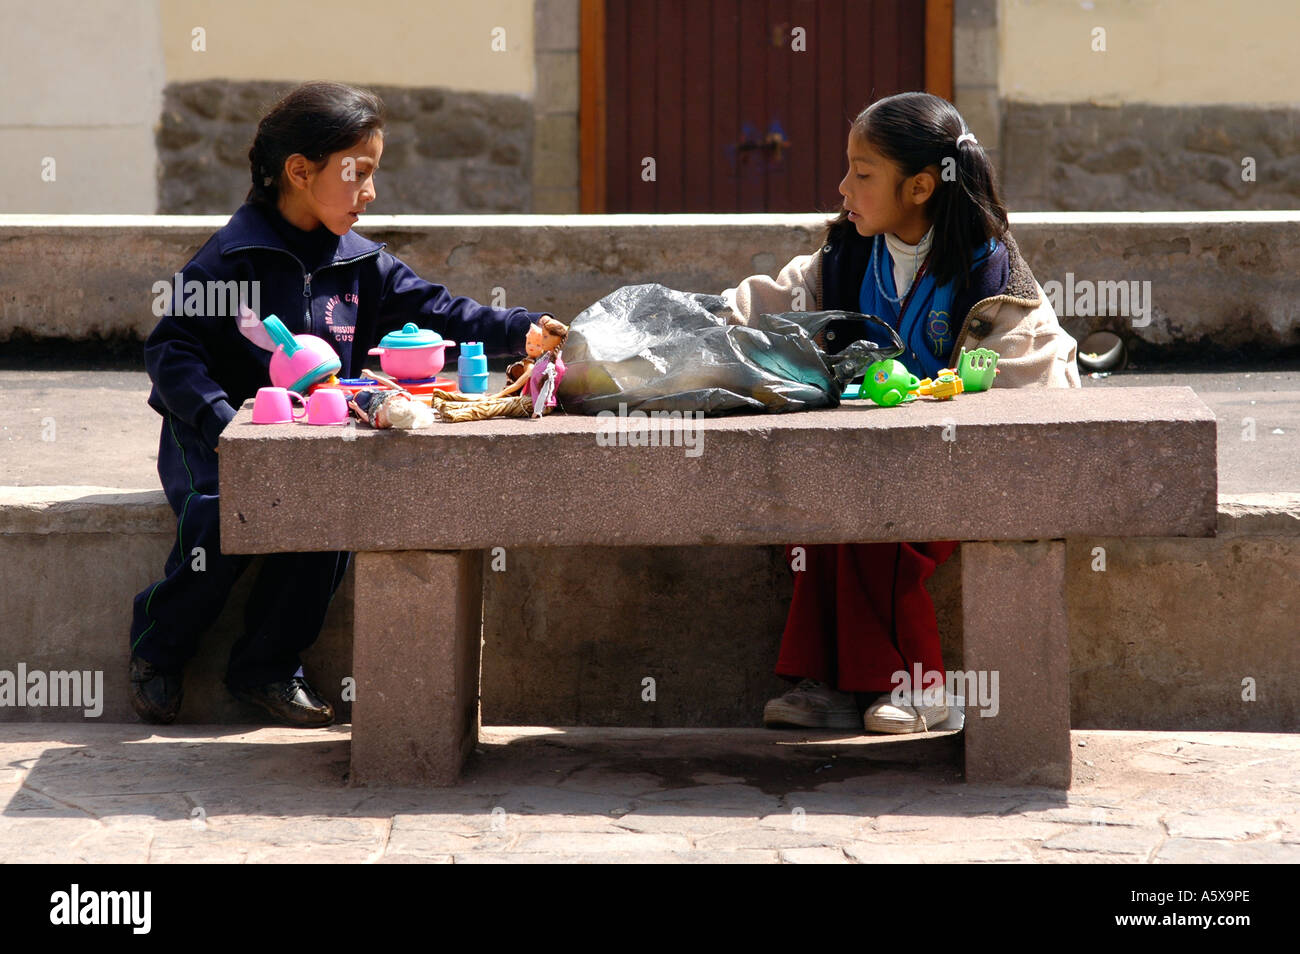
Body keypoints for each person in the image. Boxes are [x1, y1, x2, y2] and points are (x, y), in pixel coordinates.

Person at [129, 81, 555, 727]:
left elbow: (442, 309)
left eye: (373, 173)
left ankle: (266, 668)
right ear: (299, 172)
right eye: (358, 173)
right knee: (219, 523)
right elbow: (171, 350)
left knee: (331, 512)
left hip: (316, 437)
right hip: (213, 442)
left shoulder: (361, 265)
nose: (371, 192)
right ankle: (159, 650)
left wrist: (521, 328)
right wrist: (224, 421)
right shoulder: (230, 260)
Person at [721, 92, 1081, 735]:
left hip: (966, 468)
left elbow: (1030, 390)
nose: (843, 187)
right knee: (824, 510)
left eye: (862, 174)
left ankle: (921, 685)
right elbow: (756, 307)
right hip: (869, 462)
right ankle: (832, 686)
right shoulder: (849, 255)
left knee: (877, 514)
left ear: (919, 186)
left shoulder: (993, 278)